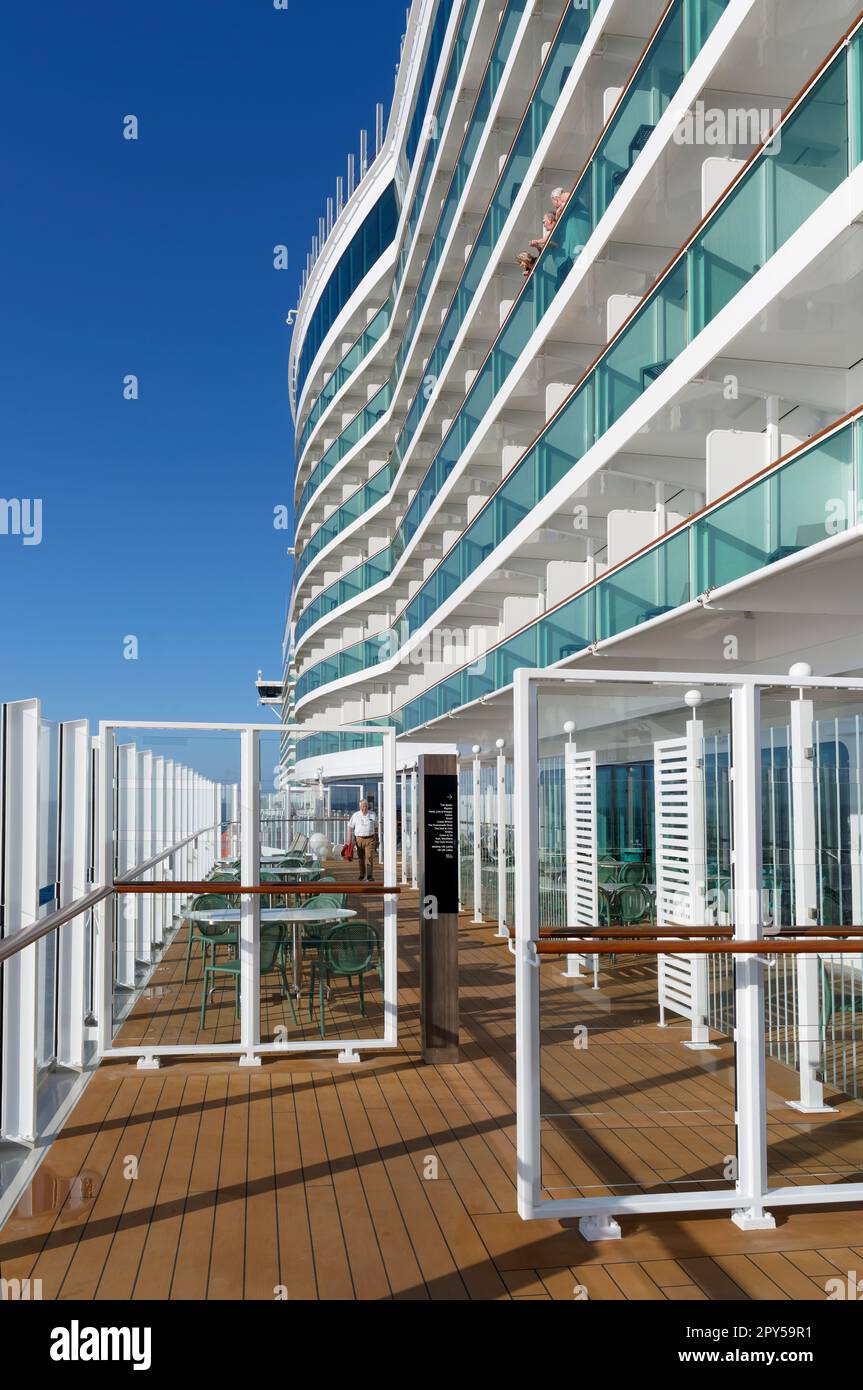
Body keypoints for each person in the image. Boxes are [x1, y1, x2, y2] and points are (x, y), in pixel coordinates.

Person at [348, 798, 378, 882]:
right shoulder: (355, 815)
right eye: (362, 806)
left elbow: (376, 827)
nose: (364, 807)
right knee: (361, 858)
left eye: (365, 806)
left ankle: (369, 876)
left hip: (370, 839)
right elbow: (350, 827)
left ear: (368, 806)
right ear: (360, 807)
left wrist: (377, 837)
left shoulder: (373, 814)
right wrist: (349, 840)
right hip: (359, 839)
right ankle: (362, 874)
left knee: (369, 857)